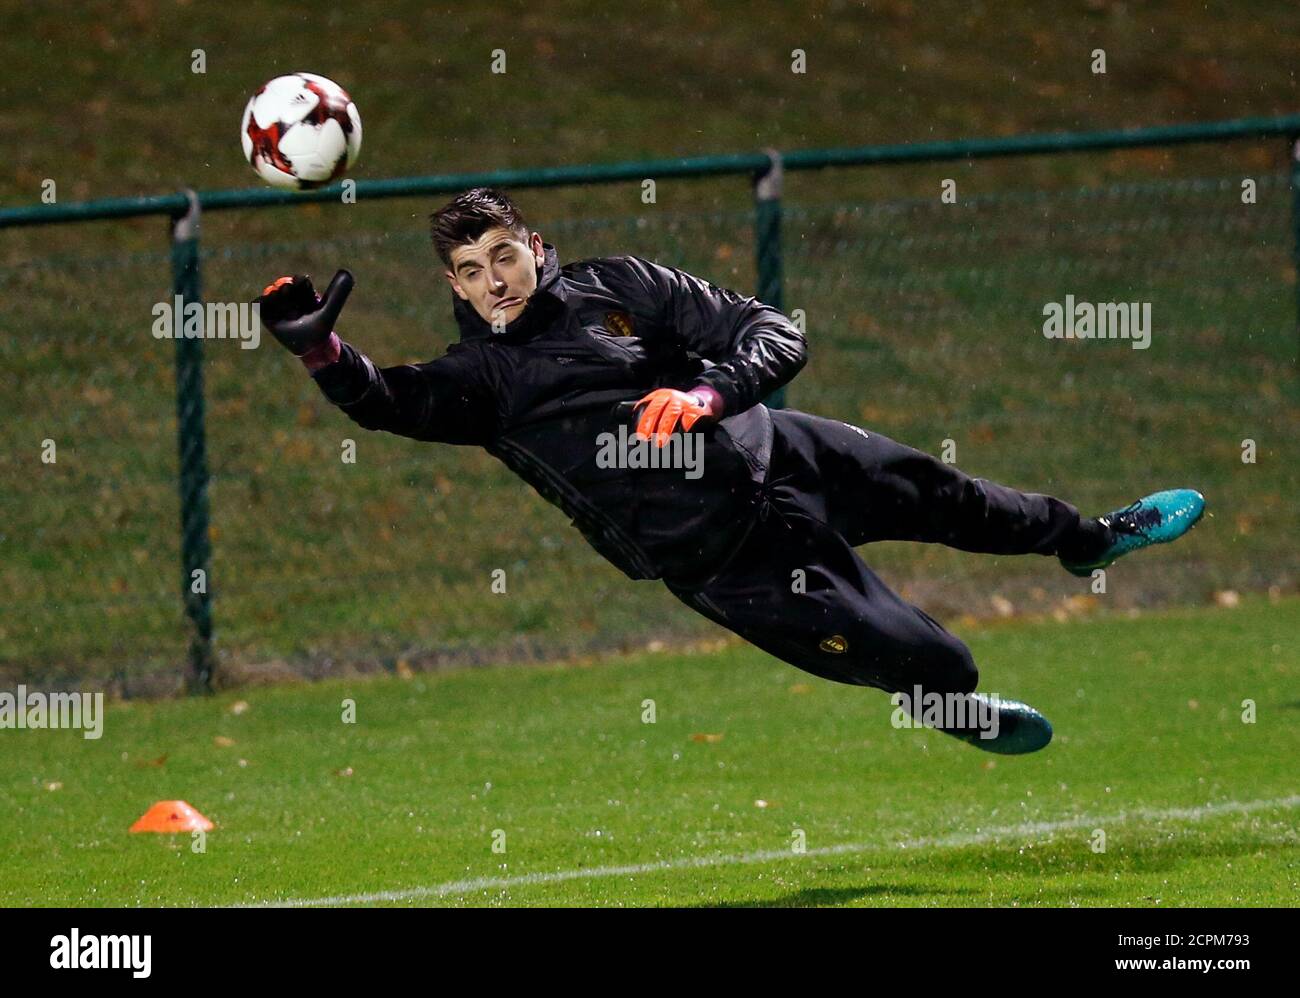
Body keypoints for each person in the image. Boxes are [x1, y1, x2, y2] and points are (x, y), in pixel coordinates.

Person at [256, 187, 1205, 754]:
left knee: (956, 497)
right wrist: (320, 352)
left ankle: (1094, 539)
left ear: (536, 249)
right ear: (455, 286)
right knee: (931, 659)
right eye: (472, 270)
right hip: (723, 559)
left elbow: (772, 331)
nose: (495, 280)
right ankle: (949, 705)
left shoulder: (620, 286)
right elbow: (389, 399)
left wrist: (709, 395)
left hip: (778, 453)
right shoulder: (483, 381)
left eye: (504, 255)